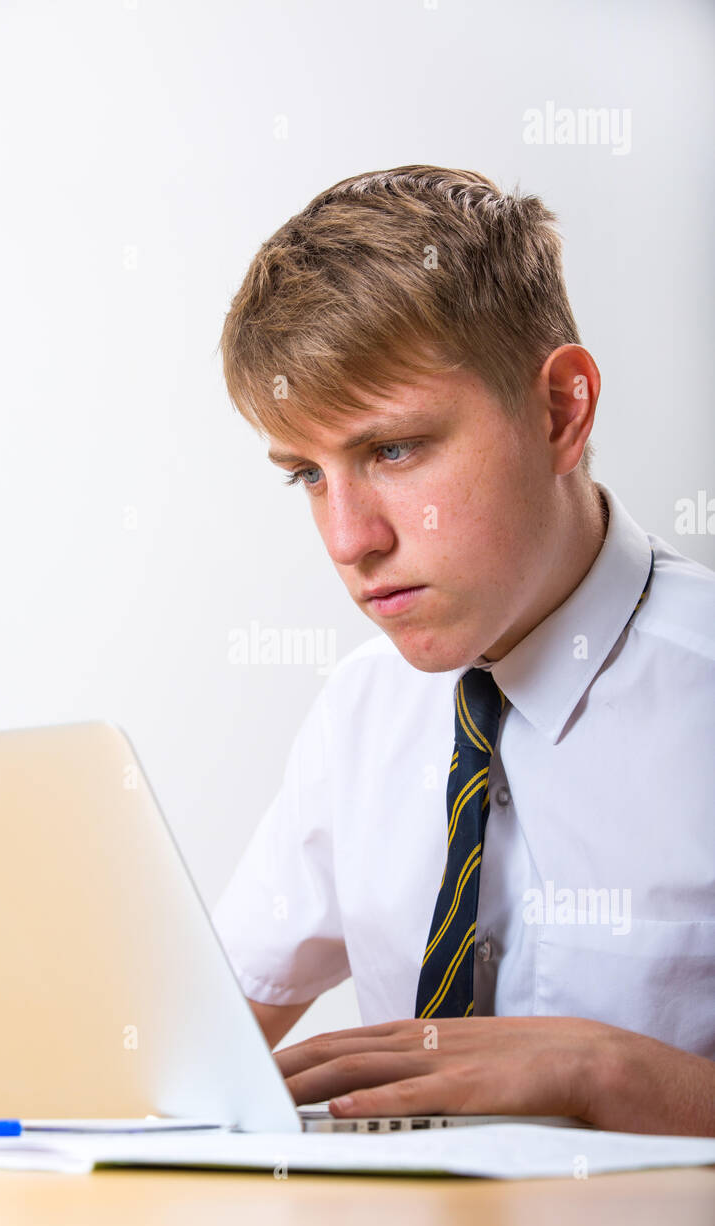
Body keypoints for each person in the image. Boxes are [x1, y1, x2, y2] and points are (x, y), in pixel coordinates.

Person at [212, 165, 715, 1136]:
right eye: (305, 476)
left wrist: (612, 1076)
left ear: (561, 411)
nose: (348, 539)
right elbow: (185, 1049)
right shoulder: (362, 711)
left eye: (392, 450)